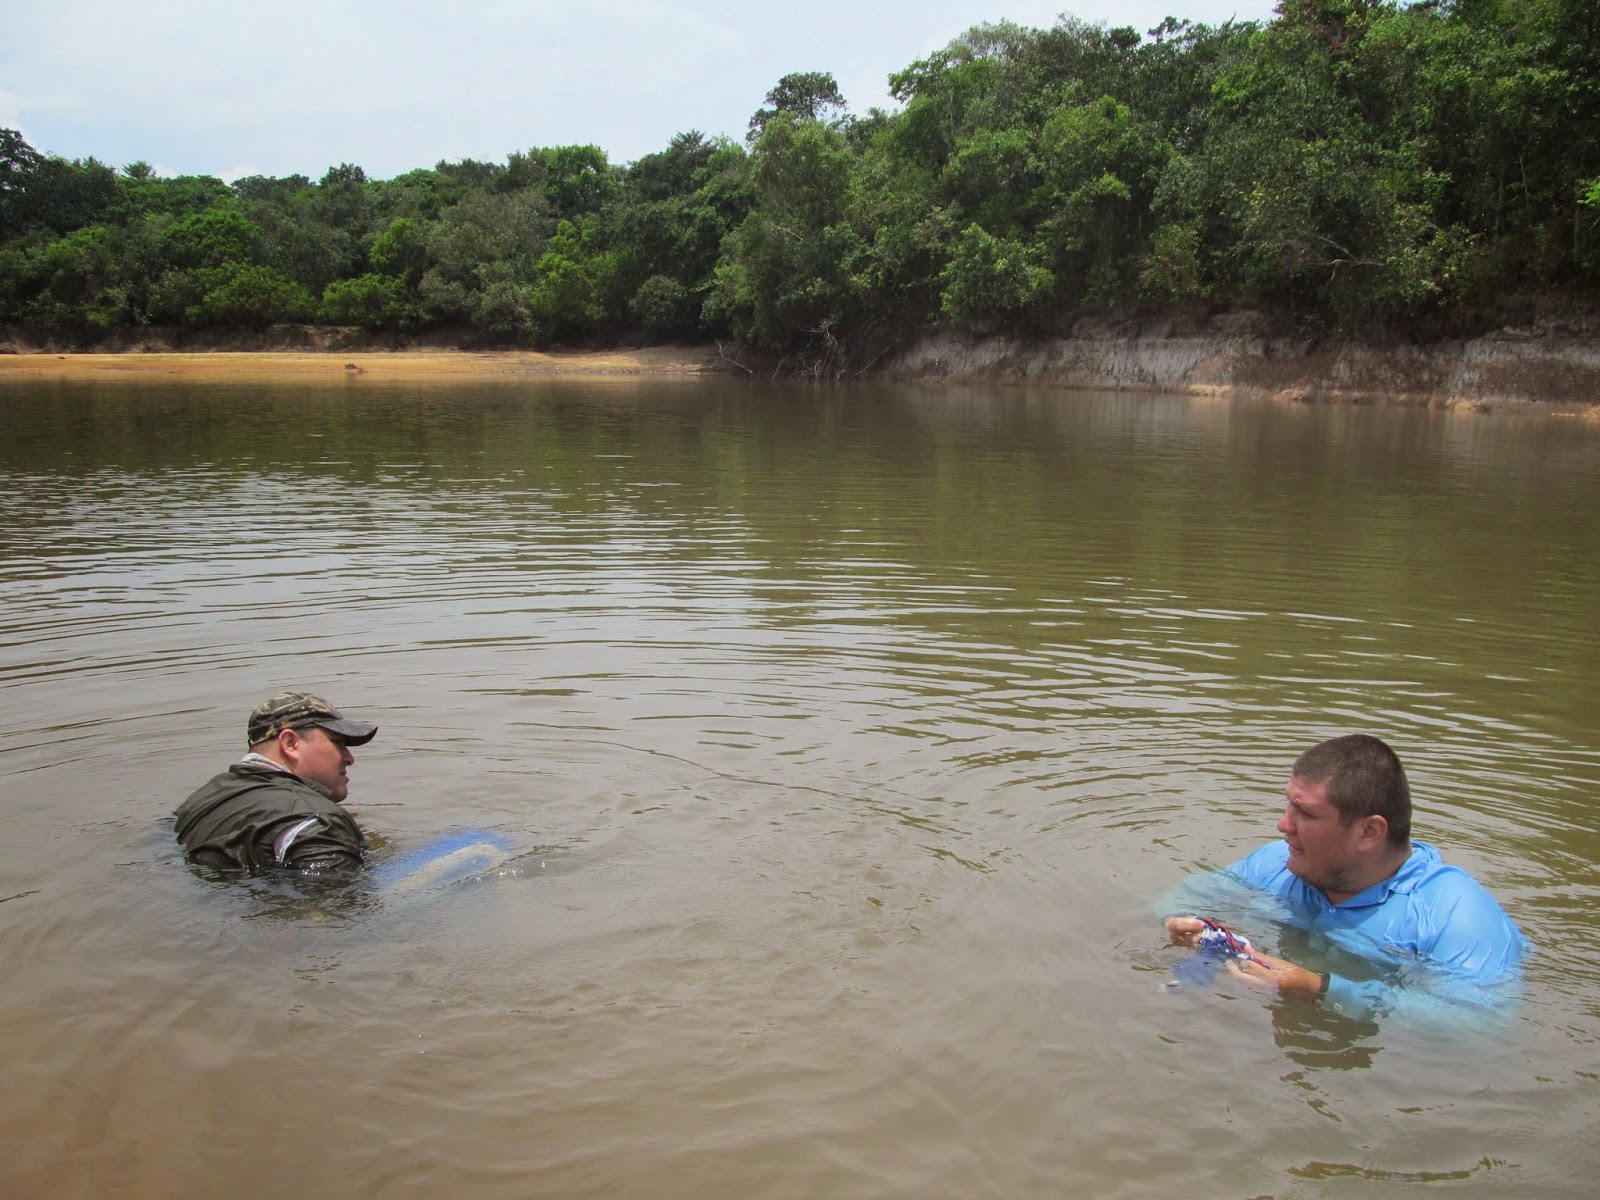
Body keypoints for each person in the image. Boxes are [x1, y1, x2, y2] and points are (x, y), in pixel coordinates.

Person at [1164, 734, 1528, 1016]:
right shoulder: (1278, 863)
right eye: (1288, 804)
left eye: (1305, 813)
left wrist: (1319, 987)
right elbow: (1176, 900)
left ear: (1369, 832)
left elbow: (1478, 1022)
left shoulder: (1456, 915)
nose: (1283, 825)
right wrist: (1195, 926)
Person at [174, 691, 378, 874]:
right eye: (338, 742)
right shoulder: (317, 822)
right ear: (290, 743)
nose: (349, 758)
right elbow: (336, 906)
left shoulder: (201, 799)